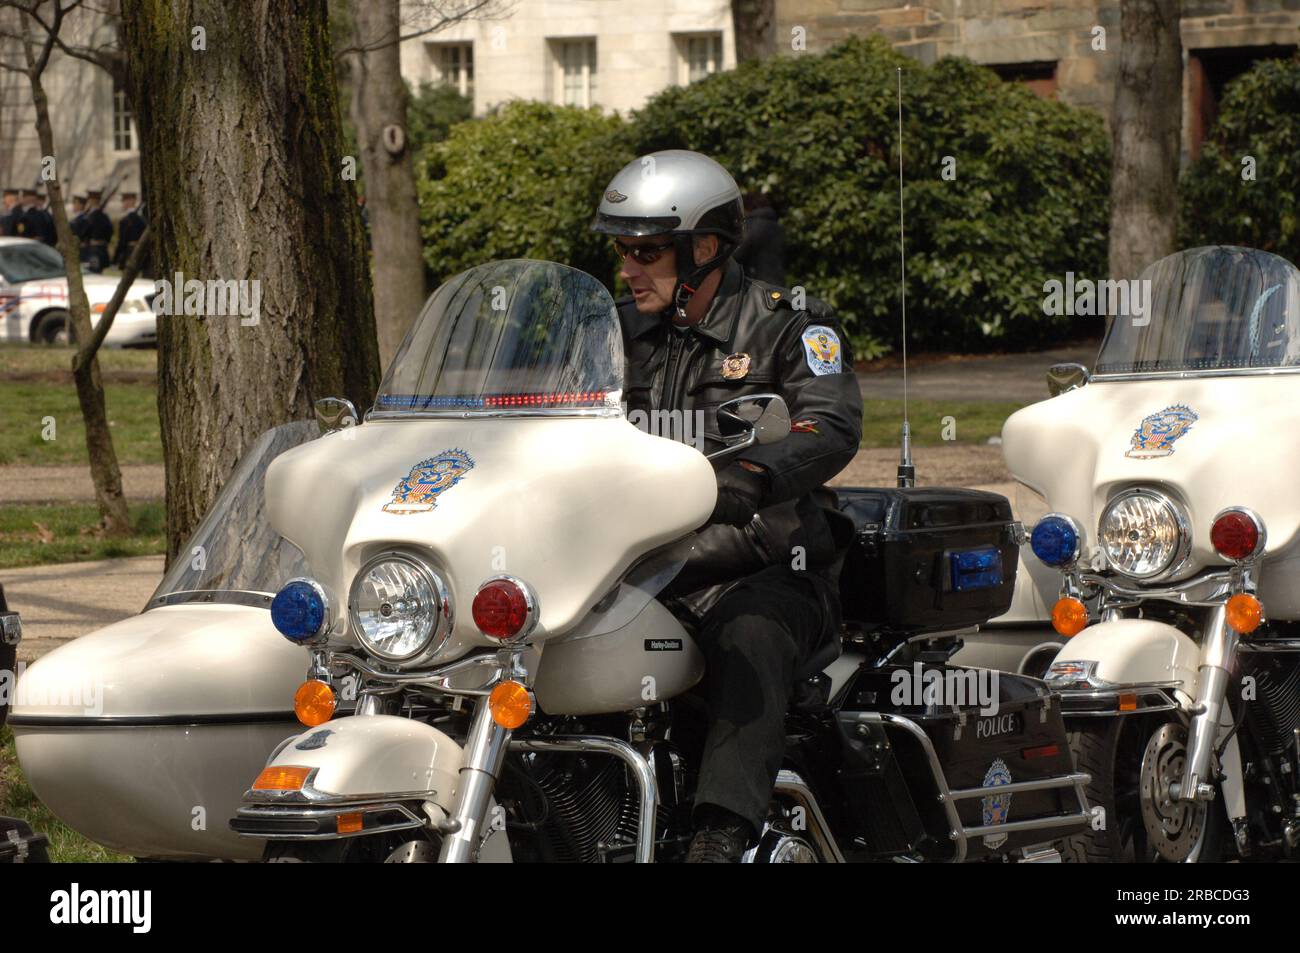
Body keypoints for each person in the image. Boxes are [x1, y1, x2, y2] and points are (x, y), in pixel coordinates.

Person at [591, 150, 863, 862]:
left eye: (647, 251)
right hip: (641, 568)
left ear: (703, 248)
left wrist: (752, 473)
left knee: (750, 636)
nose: (629, 268)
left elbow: (827, 425)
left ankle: (721, 835)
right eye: (623, 250)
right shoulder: (612, 337)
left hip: (764, 563)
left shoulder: (789, 325)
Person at [733, 192, 786, 286]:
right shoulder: (778, 227)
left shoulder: (751, 225)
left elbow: (737, 255)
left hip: (757, 284)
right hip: (778, 282)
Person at [81, 189, 113, 272]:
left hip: (93, 250)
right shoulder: (105, 216)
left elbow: (84, 232)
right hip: (103, 249)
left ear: (91, 201)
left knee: (92, 273)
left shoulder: (90, 217)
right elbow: (110, 232)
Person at [113, 191, 145, 269]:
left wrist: (115, 258)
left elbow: (122, 241)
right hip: (141, 252)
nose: (123, 203)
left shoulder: (125, 220)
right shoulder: (142, 219)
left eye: (124, 200)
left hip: (129, 252)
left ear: (131, 201)